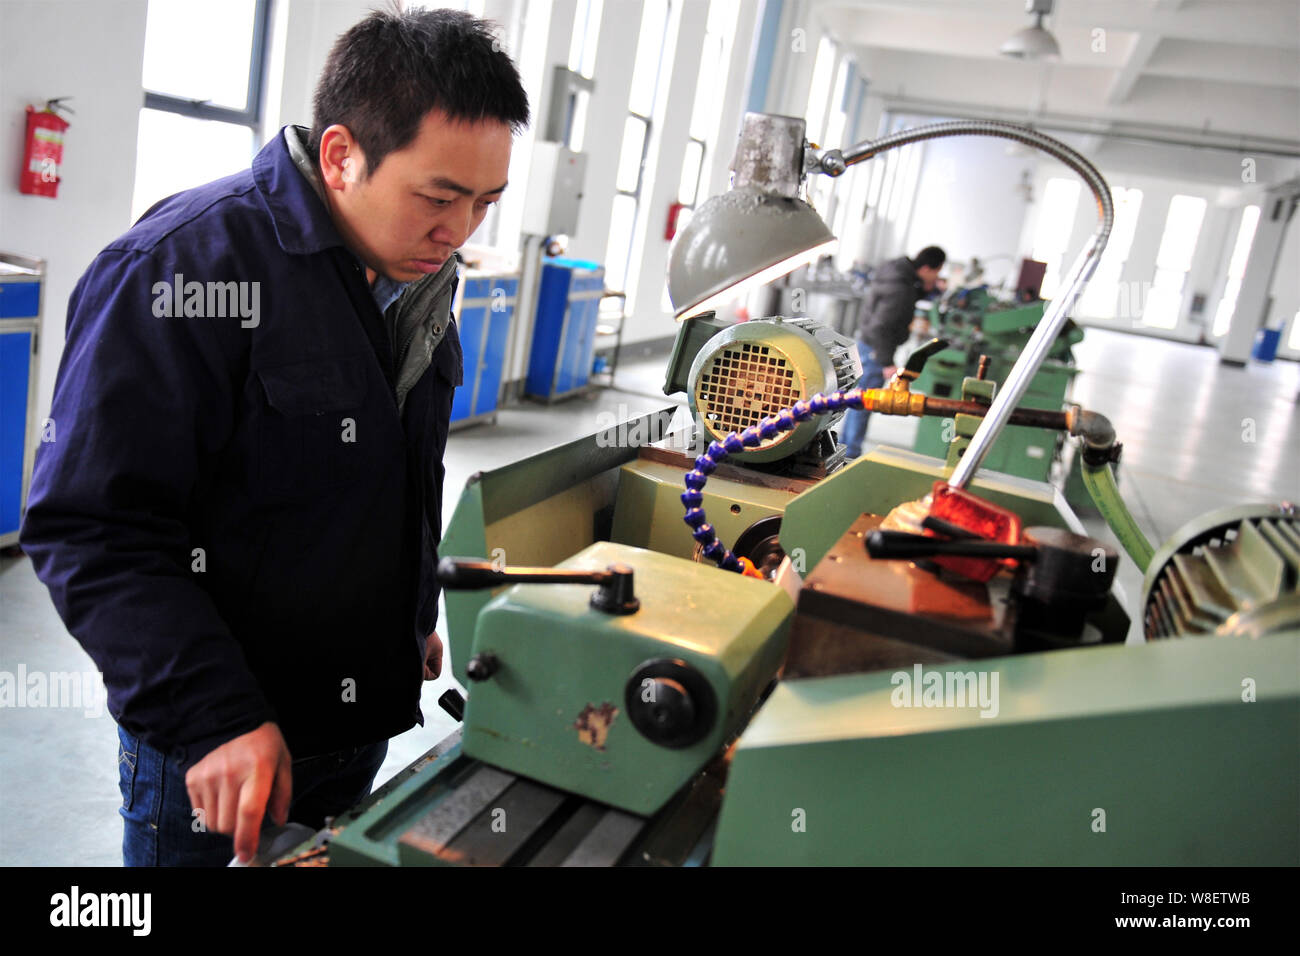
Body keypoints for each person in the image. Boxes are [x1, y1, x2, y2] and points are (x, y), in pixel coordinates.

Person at [20, 9, 529, 866]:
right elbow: (91, 525)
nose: (460, 231)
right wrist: (213, 717)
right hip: (220, 749)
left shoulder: (417, 281)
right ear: (341, 155)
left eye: (486, 202)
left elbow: (394, 471)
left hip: (358, 721)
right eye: (439, 197)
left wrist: (405, 614)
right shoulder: (181, 269)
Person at [840, 246, 946, 459]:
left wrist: (927, 289)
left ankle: (844, 447)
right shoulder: (901, 288)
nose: (937, 277)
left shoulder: (898, 275)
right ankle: (850, 454)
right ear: (927, 268)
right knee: (865, 402)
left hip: (868, 344)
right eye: (936, 272)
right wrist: (886, 361)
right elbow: (882, 326)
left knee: (857, 400)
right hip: (876, 349)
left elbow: (904, 299)